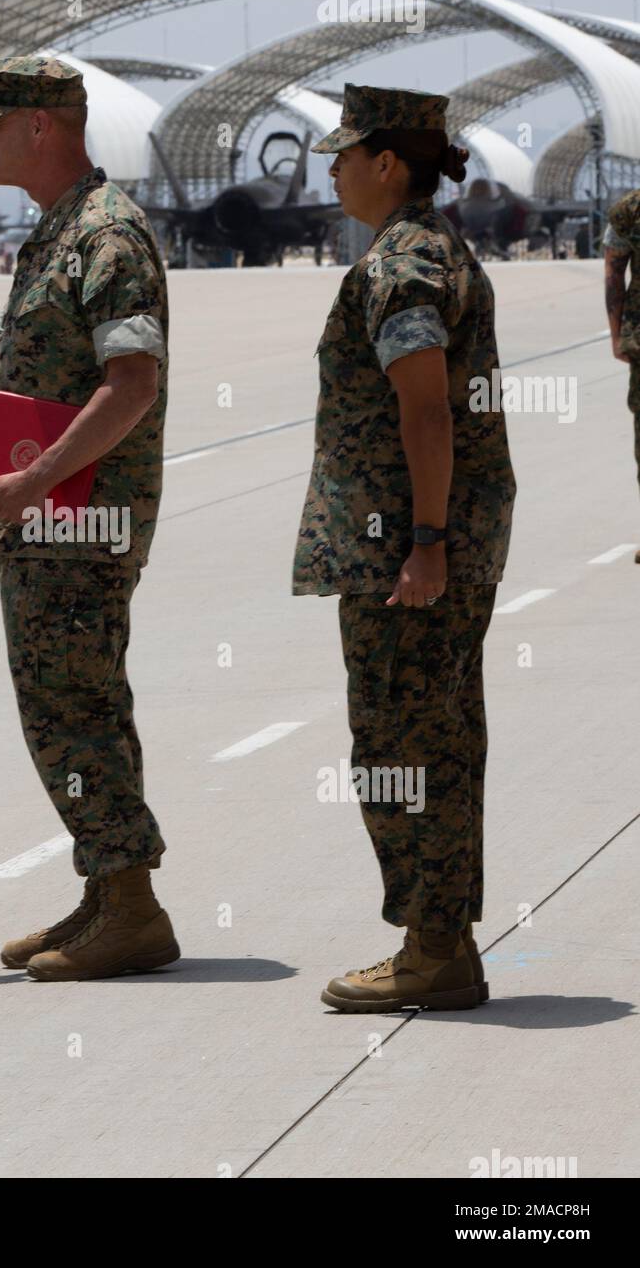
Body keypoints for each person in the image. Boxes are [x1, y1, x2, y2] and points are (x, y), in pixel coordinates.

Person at [0, 56, 178, 981]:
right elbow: (12, 356)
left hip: (80, 516)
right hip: (49, 513)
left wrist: (36, 481)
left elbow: (130, 386)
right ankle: (108, 892)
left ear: (40, 128)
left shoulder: (108, 237)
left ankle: (131, 904)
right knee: (63, 699)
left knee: (76, 702)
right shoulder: (61, 233)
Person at [292, 84, 517, 1013]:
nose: (335, 171)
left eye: (344, 156)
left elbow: (424, 408)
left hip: (408, 553)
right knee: (443, 737)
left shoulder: (402, 262)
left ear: (388, 163)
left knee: (401, 744)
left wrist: (424, 544)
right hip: (434, 541)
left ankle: (432, 945)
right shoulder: (436, 247)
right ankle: (443, 940)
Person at [602, 186, 640, 562]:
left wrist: (618, 335)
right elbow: (613, 271)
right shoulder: (628, 209)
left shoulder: (630, 207)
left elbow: (613, 271)